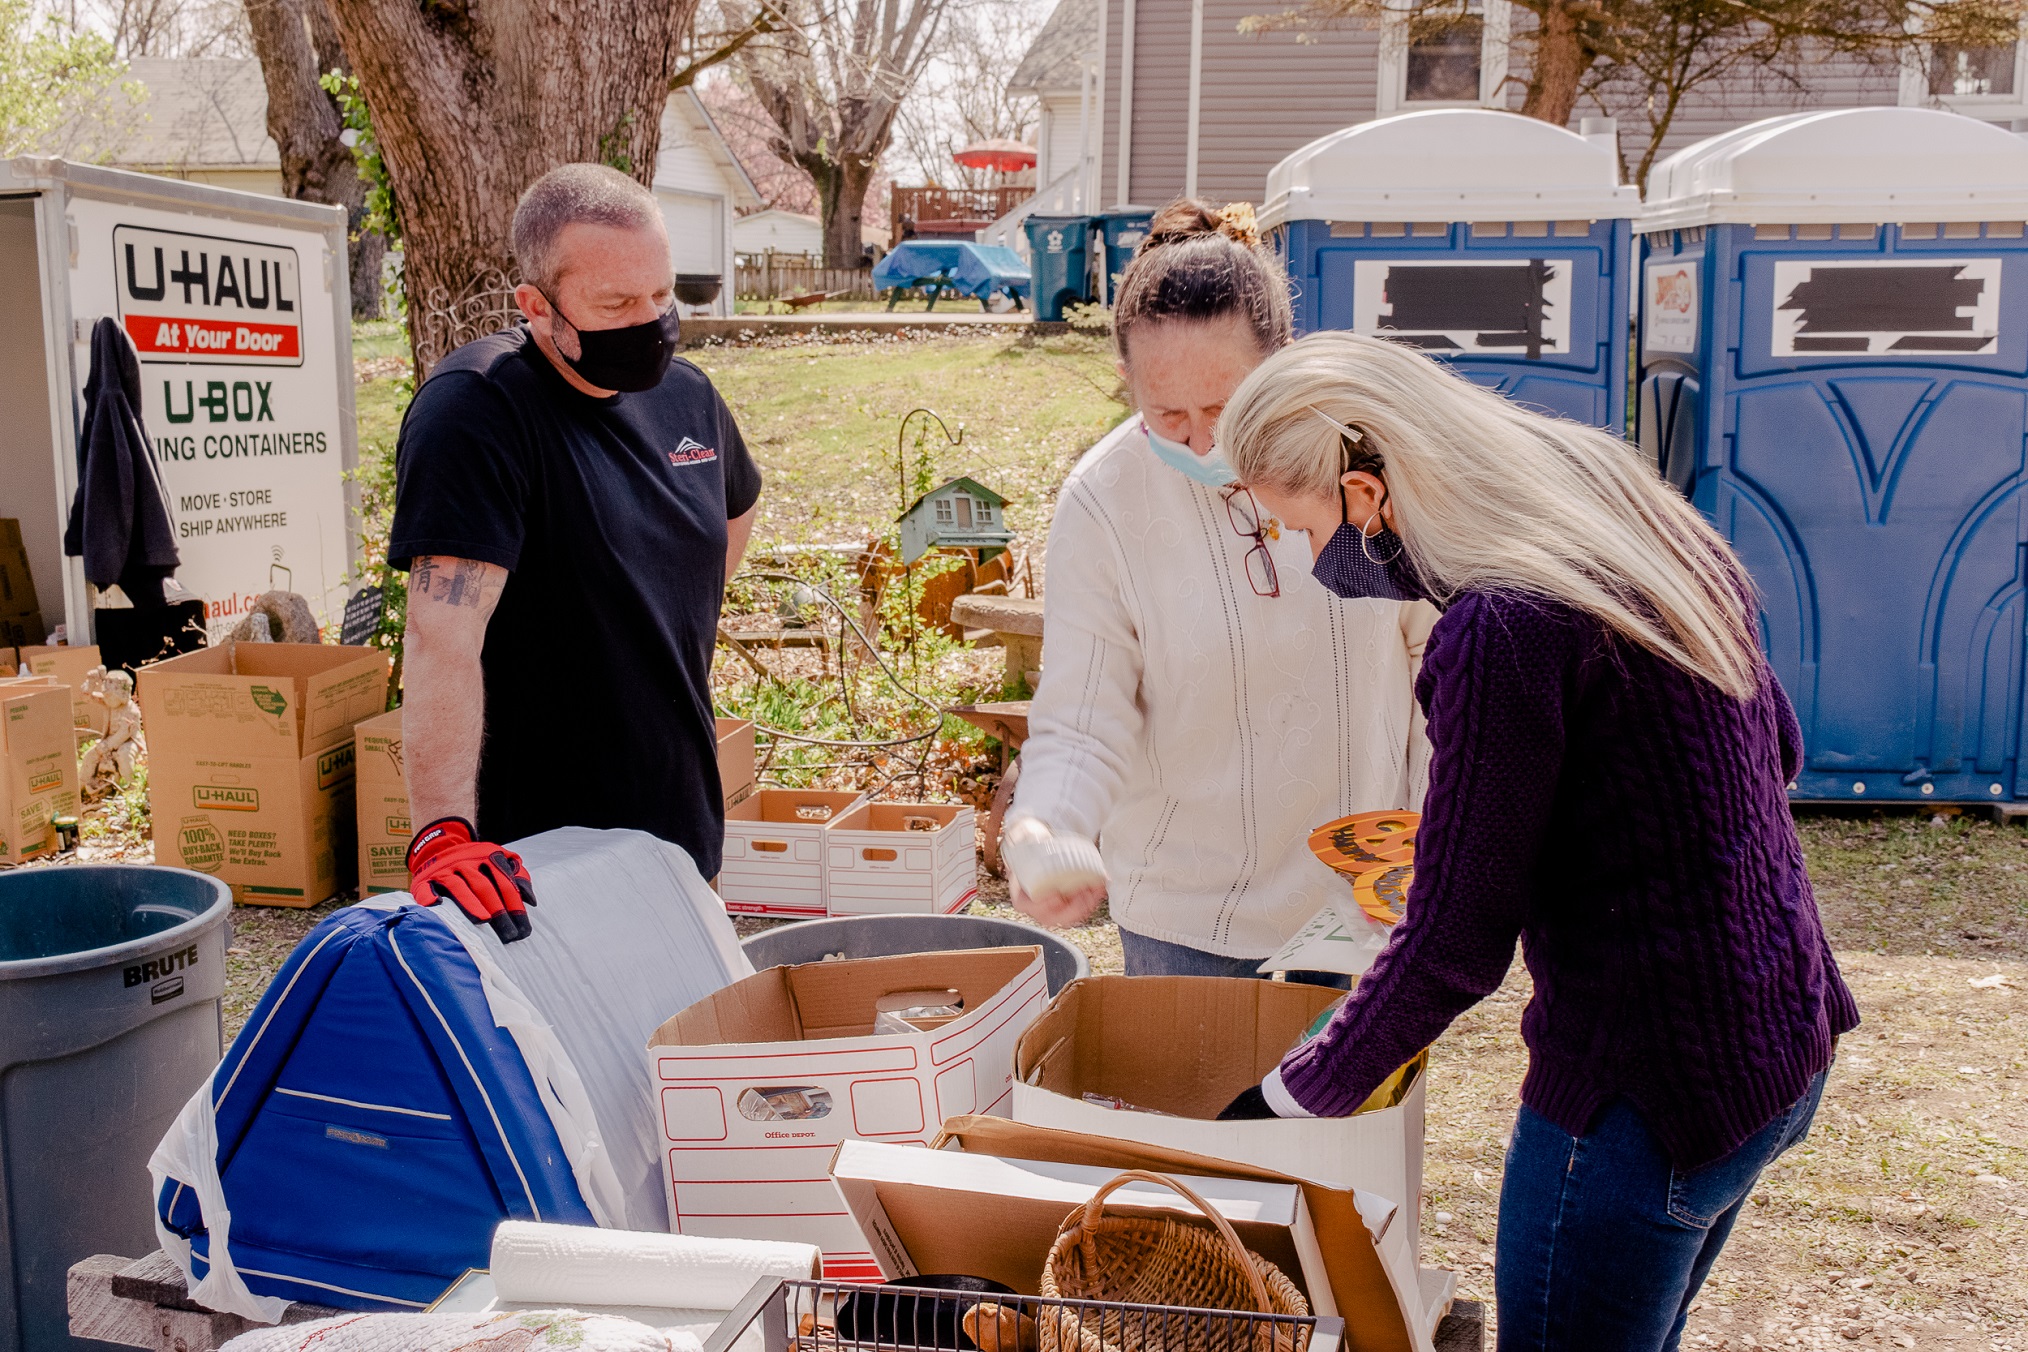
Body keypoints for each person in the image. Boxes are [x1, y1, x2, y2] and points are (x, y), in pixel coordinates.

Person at [1215, 331, 1859, 1351]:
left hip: (1641, 1096)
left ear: (1369, 489)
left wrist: (1280, 1100)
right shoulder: (1613, 500)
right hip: (1777, 1041)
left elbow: (1452, 951)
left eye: (1306, 527)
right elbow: (1769, 744)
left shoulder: (1499, 628)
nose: (1309, 557)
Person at [1004, 200, 1435, 983]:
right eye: (1168, 414)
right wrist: (1048, 827)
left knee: (1357, 1109)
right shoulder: (1103, 502)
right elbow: (1083, 713)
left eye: (1228, 407)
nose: (1205, 440)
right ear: (1125, 381)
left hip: (1371, 900)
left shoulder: (1370, 462)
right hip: (1185, 920)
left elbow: (1439, 665)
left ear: (1281, 360)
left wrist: (1440, 846)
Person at [389, 163, 762, 943]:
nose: (650, 321)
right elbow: (439, 634)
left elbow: (737, 503)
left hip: (680, 823)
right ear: (536, 306)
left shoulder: (687, 396)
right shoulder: (477, 410)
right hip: (534, 859)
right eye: (616, 303)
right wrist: (443, 833)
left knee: (677, 1058)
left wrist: (665, 624)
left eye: (661, 296)